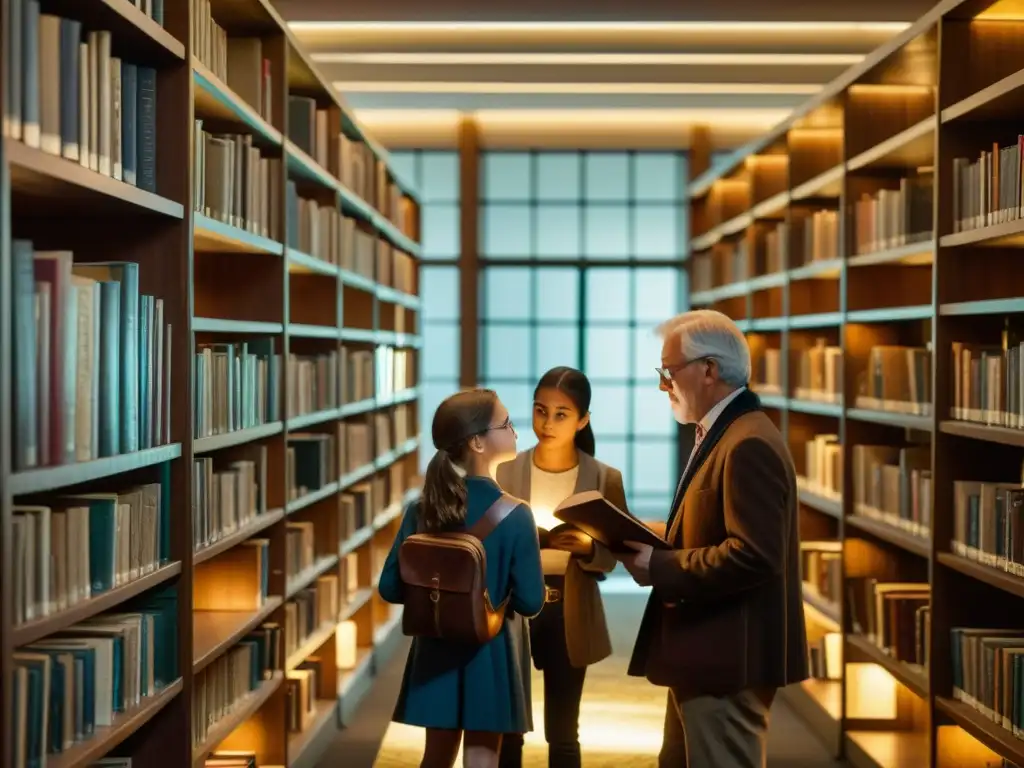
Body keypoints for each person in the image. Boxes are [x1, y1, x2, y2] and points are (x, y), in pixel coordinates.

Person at [617, 309, 808, 768]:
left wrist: (658, 566)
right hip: (703, 652)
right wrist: (653, 533)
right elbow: (718, 527)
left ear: (708, 370)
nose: (664, 384)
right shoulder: (724, 432)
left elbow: (756, 555)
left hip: (727, 662)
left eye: (670, 371)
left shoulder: (748, 444)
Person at [377, 388, 546, 768]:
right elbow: (531, 602)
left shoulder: (421, 508)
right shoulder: (516, 514)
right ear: (477, 442)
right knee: (482, 758)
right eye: (506, 423)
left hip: (435, 650)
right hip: (490, 651)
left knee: (434, 757)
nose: (516, 431)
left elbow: (389, 588)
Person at [495, 367, 625, 768]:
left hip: (570, 607)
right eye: (540, 411)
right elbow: (484, 542)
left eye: (561, 414)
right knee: (508, 727)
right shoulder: (504, 471)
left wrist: (588, 549)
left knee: (564, 731)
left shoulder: (603, 477)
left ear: (583, 420)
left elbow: (617, 552)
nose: (547, 424)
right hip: (512, 607)